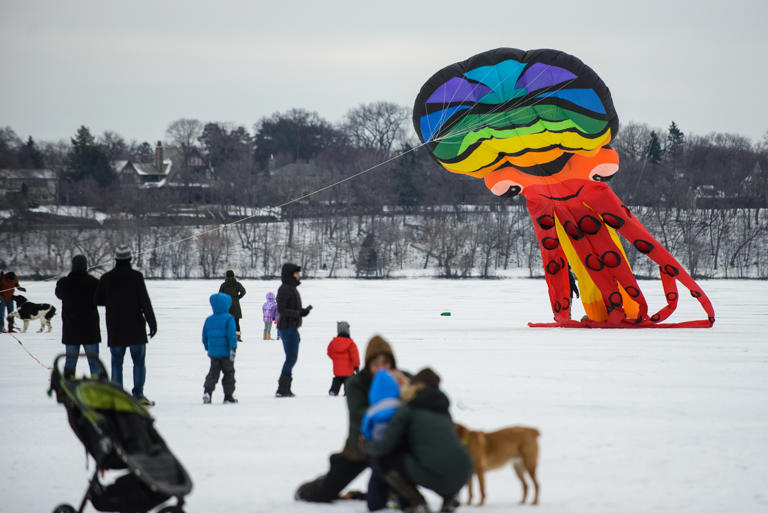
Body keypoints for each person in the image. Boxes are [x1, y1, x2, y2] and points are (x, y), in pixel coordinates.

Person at [295, 335, 407, 502]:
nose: (381, 369)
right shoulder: (356, 383)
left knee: (401, 494)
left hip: (390, 446)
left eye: (386, 364)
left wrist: (405, 387)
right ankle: (313, 487)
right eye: (376, 364)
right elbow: (359, 415)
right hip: (360, 447)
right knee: (324, 493)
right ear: (368, 365)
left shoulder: (401, 378)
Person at [364, 368, 472, 513]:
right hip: (465, 470)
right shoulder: (442, 409)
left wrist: (366, 444)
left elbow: (385, 446)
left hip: (440, 473)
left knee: (384, 459)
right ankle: (451, 496)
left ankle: (417, 502)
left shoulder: (408, 409)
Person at [95, 245, 157, 406]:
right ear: (130, 259)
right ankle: (138, 395)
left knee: (117, 361)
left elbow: (98, 300)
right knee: (138, 361)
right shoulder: (136, 276)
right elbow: (145, 301)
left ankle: (117, 396)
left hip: (115, 326)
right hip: (136, 326)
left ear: (116, 259)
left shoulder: (106, 278)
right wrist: (152, 323)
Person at [361, 369, 402, 511]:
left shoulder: (373, 410)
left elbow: (366, 429)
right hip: (396, 447)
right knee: (400, 476)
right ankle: (404, 501)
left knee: (377, 478)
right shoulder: (399, 406)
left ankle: (374, 504)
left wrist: (368, 439)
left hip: (378, 449)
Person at [55, 255, 102, 377]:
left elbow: (58, 294)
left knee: (70, 362)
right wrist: (98, 281)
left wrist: (62, 281)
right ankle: (96, 390)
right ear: (85, 266)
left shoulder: (64, 283)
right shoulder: (93, 282)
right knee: (94, 363)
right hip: (90, 330)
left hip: (71, 330)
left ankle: (68, 391)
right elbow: (102, 298)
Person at [275, 263, 312, 397]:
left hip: (290, 327)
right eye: (296, 273)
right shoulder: (285, 289)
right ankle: (282, 389)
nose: (299, 275)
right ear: (291, 274)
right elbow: (281, 310)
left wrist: (303, 311)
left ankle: (284, 389)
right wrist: (298, 314)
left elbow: (291, 308)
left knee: (291, 358)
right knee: (291, 358)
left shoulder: (290, 288)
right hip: (287, 328)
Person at [202, 292, 238, 404]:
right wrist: (233, 348)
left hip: (214, 353)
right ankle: (228, 396)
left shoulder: (209, 320)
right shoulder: (229, 318)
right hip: (227, 352)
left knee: (213, 373)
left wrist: (208, 348)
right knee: (229, 373)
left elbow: (204, 336)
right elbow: (232, 335)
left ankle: (207, 391)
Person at [327, 320, 360, 396]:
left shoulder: (333, 342)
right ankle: (348, 392)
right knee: (348, 381)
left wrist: (335, 359)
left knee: (337, 380)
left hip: (337, 368)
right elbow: (355, 355)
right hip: (348, 370)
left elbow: (329, 352)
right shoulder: (351, 343)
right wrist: (356, 366)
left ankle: (333, 391)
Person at [219, 270, 246, 342]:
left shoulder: (224, 285)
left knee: (227, 322)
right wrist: (238, 297)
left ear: (226, 276)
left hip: (226, 306)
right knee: (236, 322)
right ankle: (238, 337)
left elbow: (220, 295)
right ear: (233, 275)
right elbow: (243, 292)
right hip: (236, 305)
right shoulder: (237, 284)